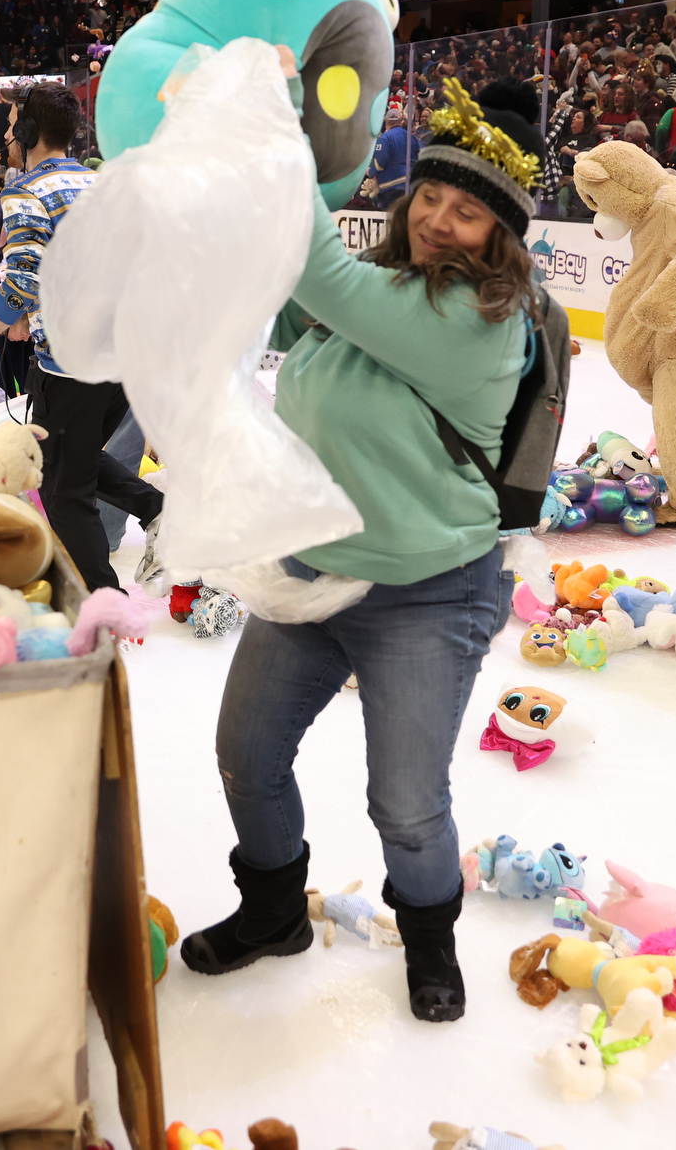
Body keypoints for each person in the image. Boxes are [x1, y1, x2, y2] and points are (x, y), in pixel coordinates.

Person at [181, 72, 542, 1028]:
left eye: (468, 213)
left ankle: (429, 942)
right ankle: (271, 914)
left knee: (407, 803)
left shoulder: (482, 320)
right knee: (246, 753)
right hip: (312, 574)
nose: (437, 221)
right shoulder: (383, 290)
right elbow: (286, 301)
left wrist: (275, 136)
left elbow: (317, 275)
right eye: (429, 196)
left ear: (500, 238)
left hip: (428, 591)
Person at [0, 82, 165, 589]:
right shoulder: (102, 184)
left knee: (64, 495)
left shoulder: (27, 191)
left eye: (14, 125)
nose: (10, 135)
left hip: (72, 365)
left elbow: (21, 281)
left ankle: (105, 609)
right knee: (62, 458)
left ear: (32, 132)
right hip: (122, 360)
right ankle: (158, 510)